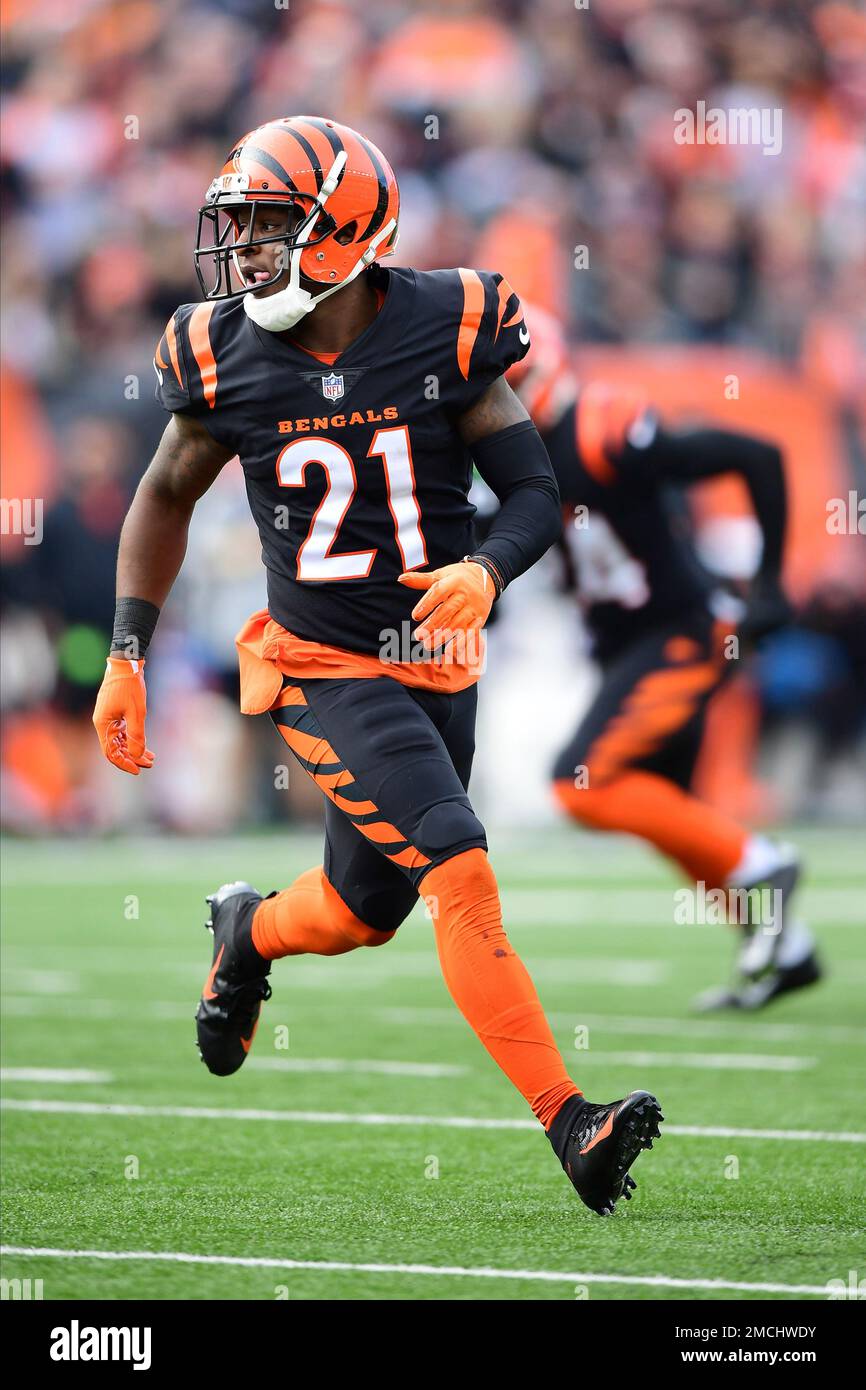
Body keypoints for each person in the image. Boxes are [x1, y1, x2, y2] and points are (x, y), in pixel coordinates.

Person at [92, 116, 663, 1214]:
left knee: (363, 911)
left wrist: (488, 572)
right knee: (459, 865)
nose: (246, 255)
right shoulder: (218, 352)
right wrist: (128, 653)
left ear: (346, 230)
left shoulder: (446, 324)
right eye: (240, 231)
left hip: (436, 661)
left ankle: (245, 929)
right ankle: (569, 1121)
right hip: (317, 664)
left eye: (271, 229)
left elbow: (535, 492)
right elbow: (164, 493)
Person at [504, 304, 821, 1010]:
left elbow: (755, 456)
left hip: (680, 634)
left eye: (508, 387)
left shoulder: (602, 429)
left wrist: (767, 584)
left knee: (581, 781)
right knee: (668, 809)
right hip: (624, 648)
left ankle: (759, 864)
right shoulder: (508, 461)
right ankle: (784, 949)